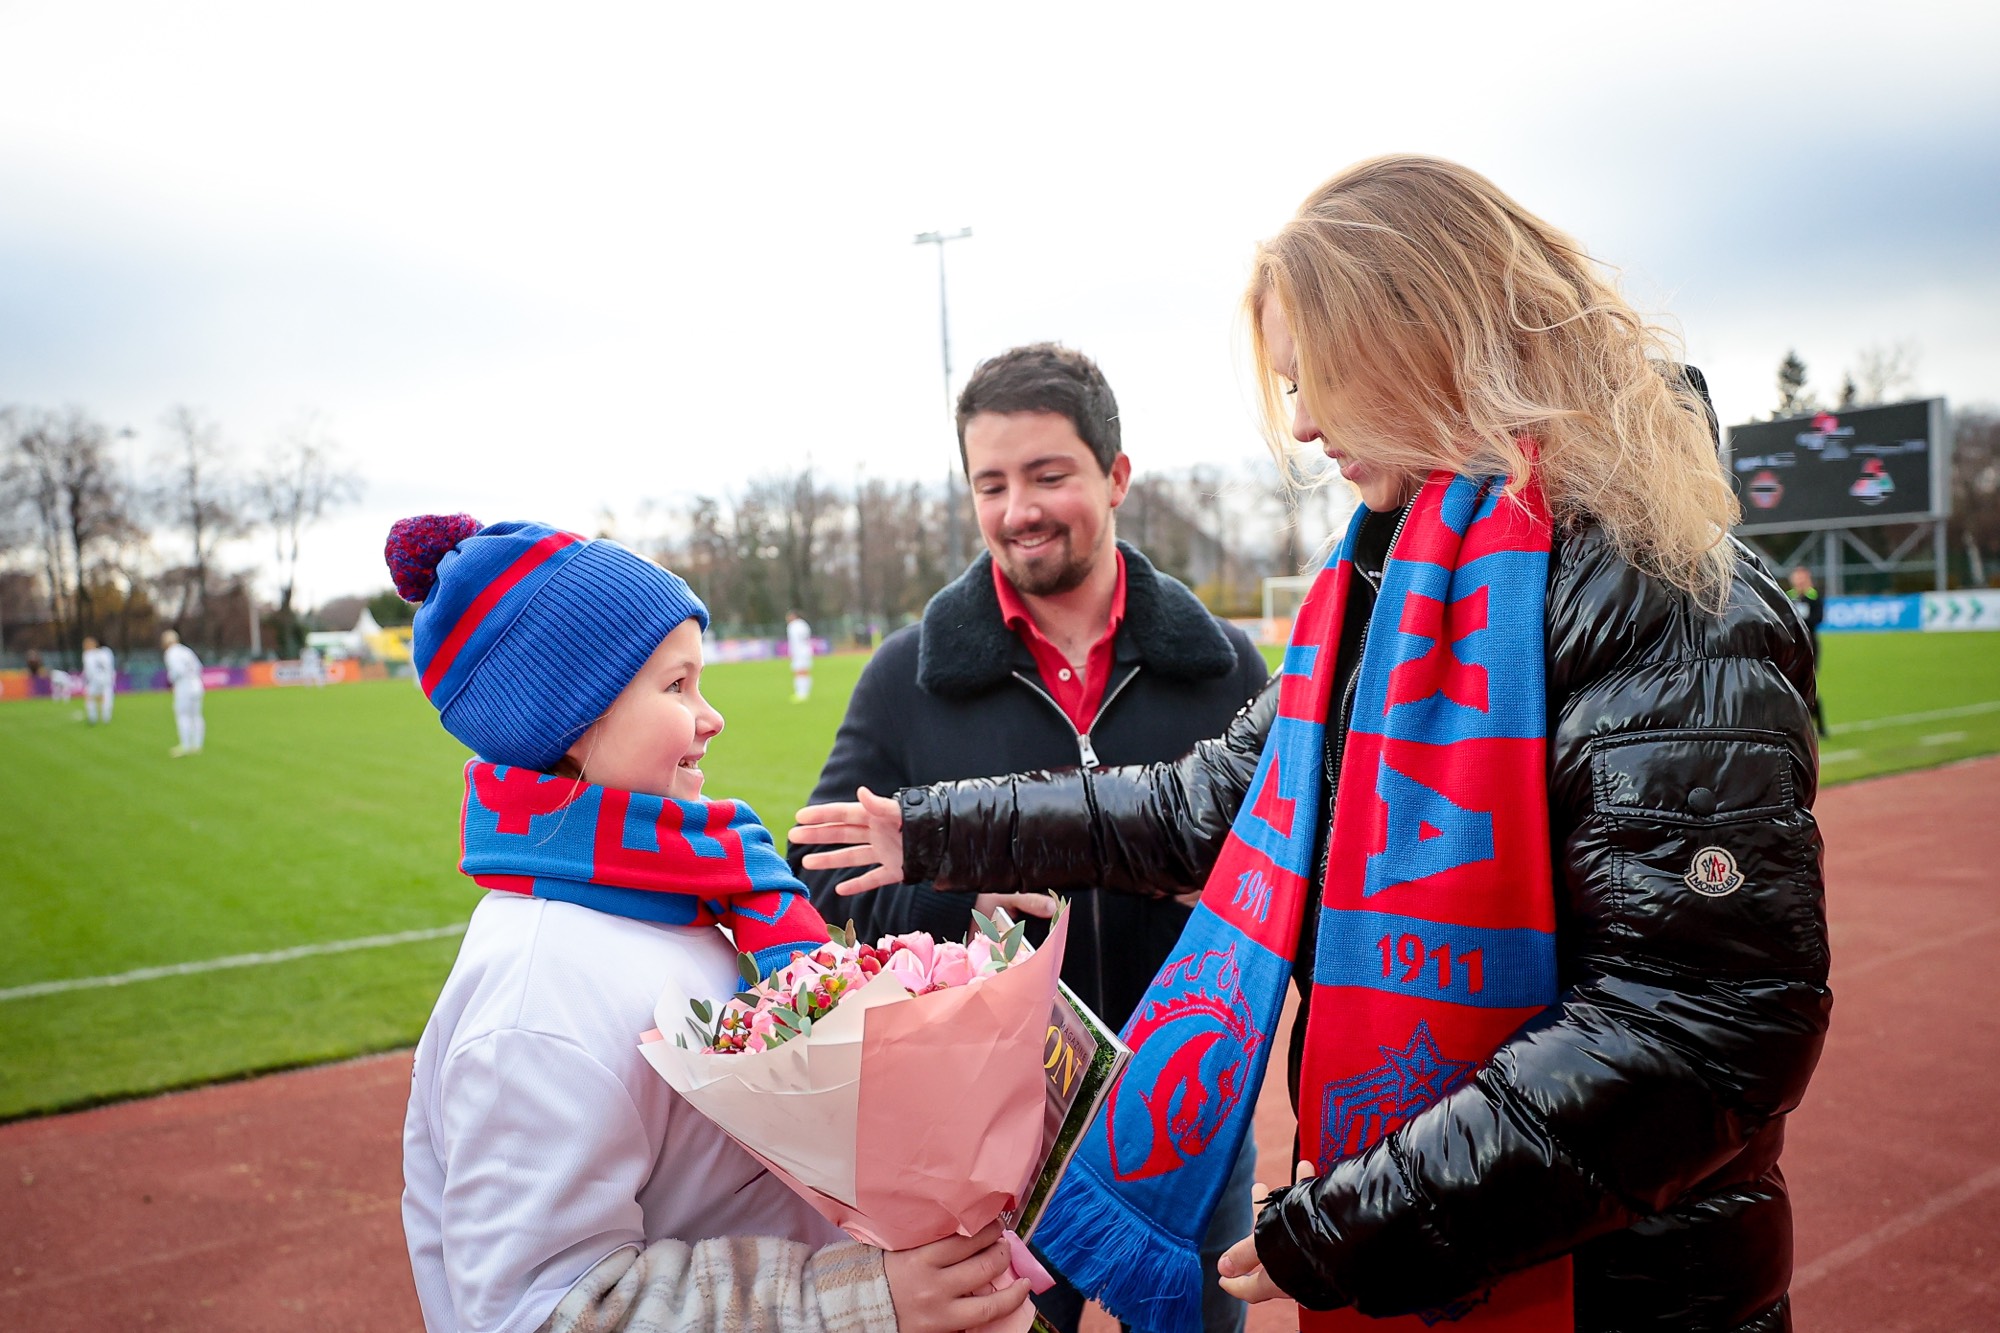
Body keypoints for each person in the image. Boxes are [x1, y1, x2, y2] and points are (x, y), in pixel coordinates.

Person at [792, 157, 1830, 1333]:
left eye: (1318, 377)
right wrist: (928, 828)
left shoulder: (1658, 585)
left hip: (1618, 1293)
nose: (1300, 421)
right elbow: (1205, 806)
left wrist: (1357, 1222)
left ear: (1430, 341)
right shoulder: (1381, 587)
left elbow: (1699, 1024)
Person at [383, 512, 1028, 1333]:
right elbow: (542, 1313)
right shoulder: (535, 995)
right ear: (570, 717)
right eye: (676, 686)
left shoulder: (695, 887)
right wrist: (867, 1300)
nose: (711, 715)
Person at [791, 341, 1271, 1333]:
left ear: (1116, 476)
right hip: (995, 1140)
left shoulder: (1223, 665)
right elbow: (820, 867)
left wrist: (1222, 883)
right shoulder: (904, 673)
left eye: (1048, 475)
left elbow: (1285, 854)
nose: (1019, 510)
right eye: (991, 483)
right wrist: (953, 897)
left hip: (1187, 1118)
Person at [1787, 566, 1829, 736]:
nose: (1799, 581)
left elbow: (1817, 619)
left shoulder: (1814, 597)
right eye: (1797, 578)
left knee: (1808, 685)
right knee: (1794, 686)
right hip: (1792, 646)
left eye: (1802, 578)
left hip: (1810, 646)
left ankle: (1819, 726)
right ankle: (1802, 726)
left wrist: (1800, 621)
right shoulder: (1788, 597)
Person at [161, 630, 205, 756]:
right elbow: (198, 667)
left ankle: (185, 745)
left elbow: (177, 671)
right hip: (196, 684)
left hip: (184, 686)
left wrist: (170, 680)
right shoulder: (186, 650)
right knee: (196, 715)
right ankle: (197, 745)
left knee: (183, 715)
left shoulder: (171, 653)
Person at [81, 636, 117, 724]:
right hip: (107, 678)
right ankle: (106, 717)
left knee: (90, 698)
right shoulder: (106, 652)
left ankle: (93, 717)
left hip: (94, 680)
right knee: (107, 697)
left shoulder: (87, 655)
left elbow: (89, 670)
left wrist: (87, 681)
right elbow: (110, 666)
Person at [787, 610, 815, 702]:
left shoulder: (793, 626)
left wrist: (792, 653)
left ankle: (802, 693)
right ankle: (804, 692)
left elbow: (794, 641)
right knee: (804, 671)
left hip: (799, 652)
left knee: (800, 672)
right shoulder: (804, 624)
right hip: (806, 650)